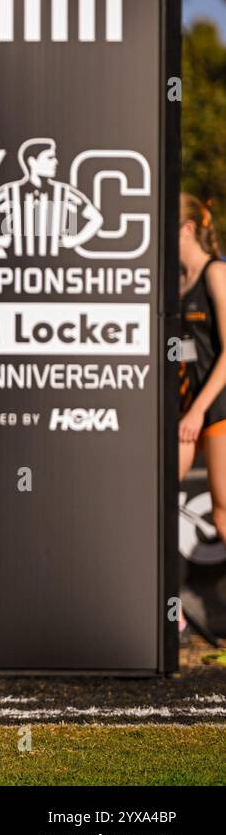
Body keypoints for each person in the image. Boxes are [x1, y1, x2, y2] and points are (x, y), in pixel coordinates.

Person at [177, 194, 226, 639]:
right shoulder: (176, 281)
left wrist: (196, 410)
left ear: (188, 229)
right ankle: (166, 611)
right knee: (151, 503)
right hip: (185, 409)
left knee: (225, 512)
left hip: (216, 408)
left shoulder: (216, 273)